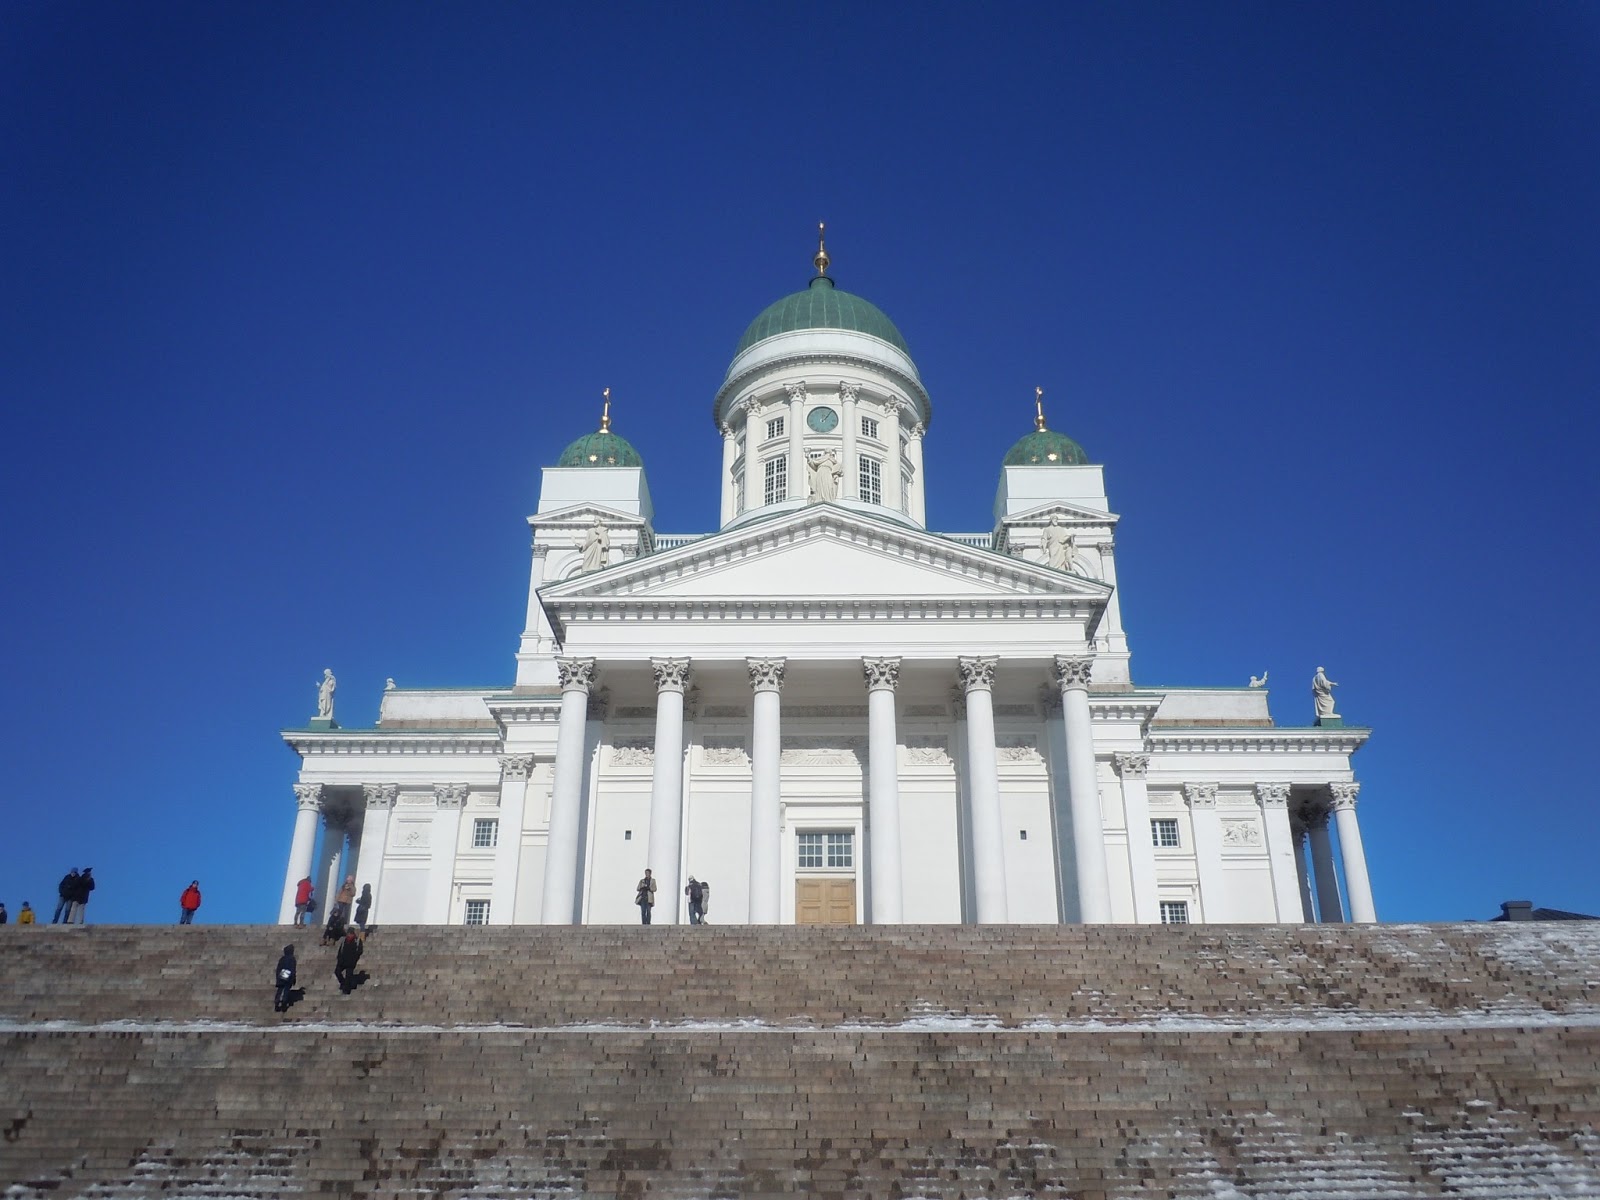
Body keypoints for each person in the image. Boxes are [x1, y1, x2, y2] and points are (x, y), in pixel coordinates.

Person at [334, 929, 363, 994]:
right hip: (342, 961)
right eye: (348, 933)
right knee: (337, 972)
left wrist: (355, 958)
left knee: (348, 976)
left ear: (352, 934)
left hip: (351, 962)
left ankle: (346, 990)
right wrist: (339, 958)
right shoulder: (344, 940)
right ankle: (343, 983)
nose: (348, 934)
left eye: (350, 933)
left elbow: (360, 951)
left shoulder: (357, 941)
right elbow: (340, 950)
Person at [273, 944, 297, 1012]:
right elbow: (292, 969)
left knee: (280, 990)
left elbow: (278, 969)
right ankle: (284, 1003)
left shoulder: (282, 959)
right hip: (288, 975)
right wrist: (293, 978)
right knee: (286, 989)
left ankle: (277, 1002)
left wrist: (278, 977)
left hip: (281, 975)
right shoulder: (292, 959)